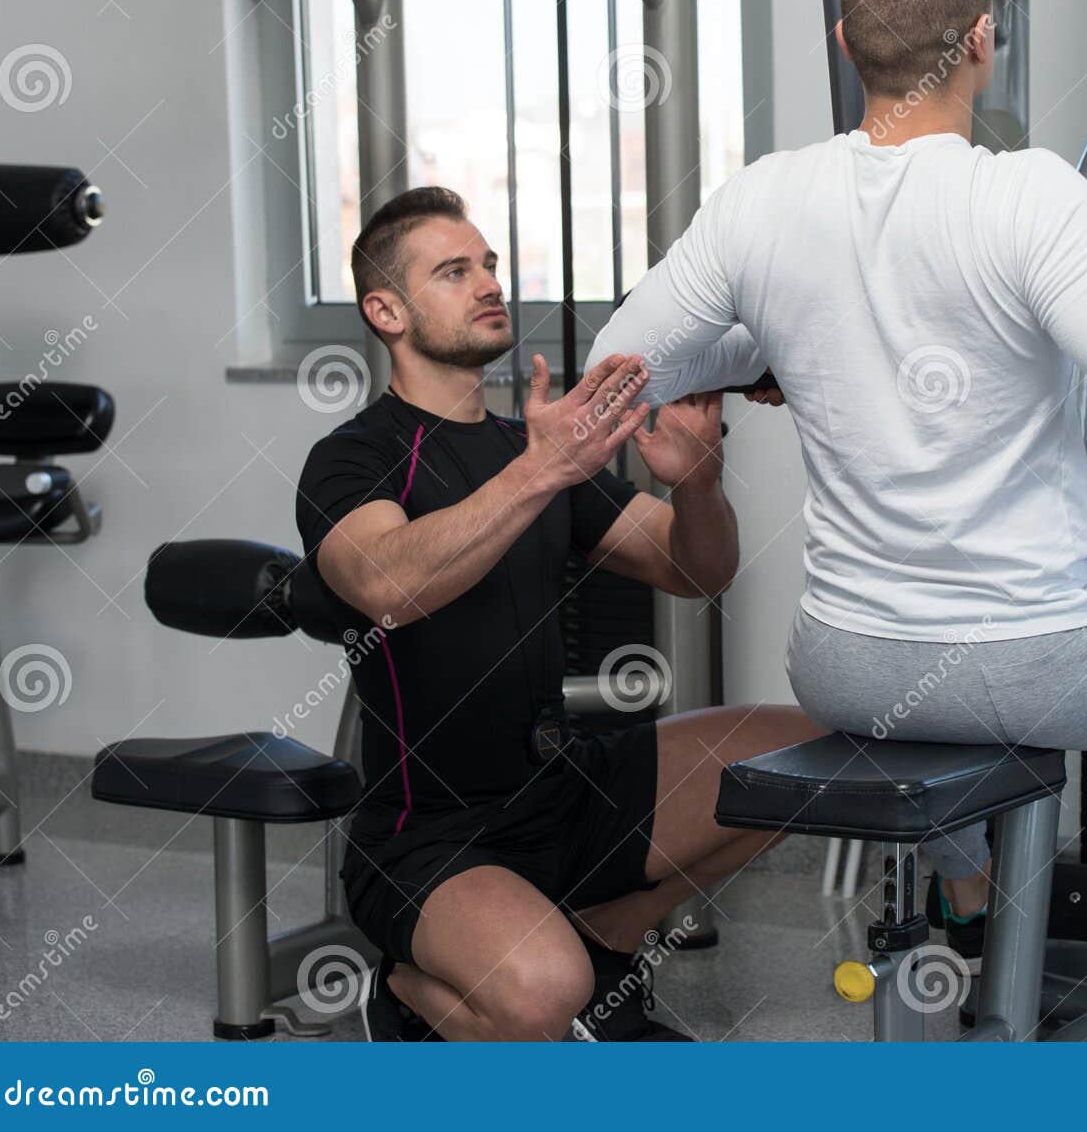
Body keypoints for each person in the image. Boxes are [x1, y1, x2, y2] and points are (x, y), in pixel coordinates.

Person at [583, 0, 1087, 1013]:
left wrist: (766, 351)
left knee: (934, 686)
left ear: (844, 42)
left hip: (842, 664)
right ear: (980, 39)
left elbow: (623, 368)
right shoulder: (1029, 195)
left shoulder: (763, 199)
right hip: (1034, 667)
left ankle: (967, 899)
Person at [295, 186, 820, 1041]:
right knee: (547, 991)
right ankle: (404, 993)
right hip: (428, 834)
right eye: (454, 271)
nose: (488, 283)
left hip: (566, 785)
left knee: (811, 756)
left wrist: (698, 482)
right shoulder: (354, 457)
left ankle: (610, 929)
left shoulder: (531, 449)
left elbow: (697, 571)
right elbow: (388, 582)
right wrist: (542, 472)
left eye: (490, 265)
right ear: (385, 311)